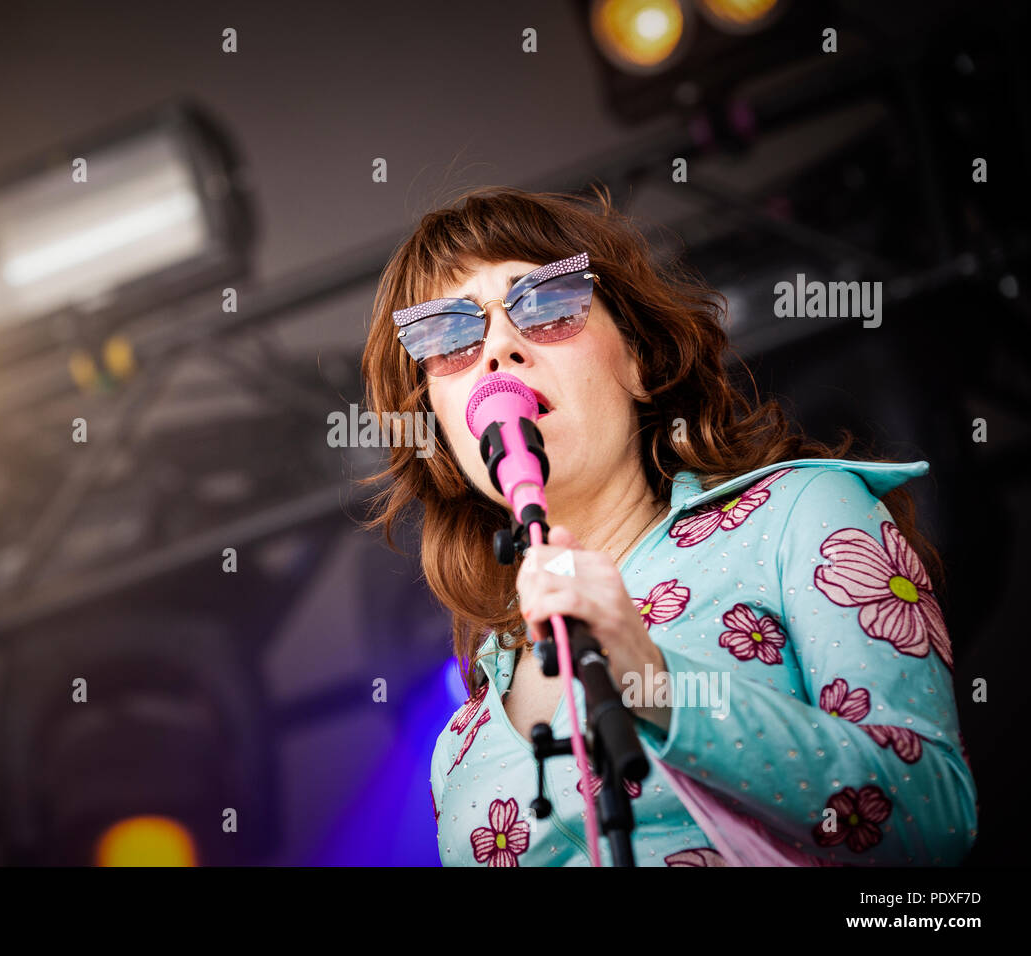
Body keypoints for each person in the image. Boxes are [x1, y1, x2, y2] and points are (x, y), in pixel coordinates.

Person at [358, 185, 978, 866]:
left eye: (548, 302)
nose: (500, 347)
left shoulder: (803, 514)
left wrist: (655, 683)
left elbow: (934, 816)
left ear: (638, 360)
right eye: (449, 336)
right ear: (441, 429)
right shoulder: (461, 743)